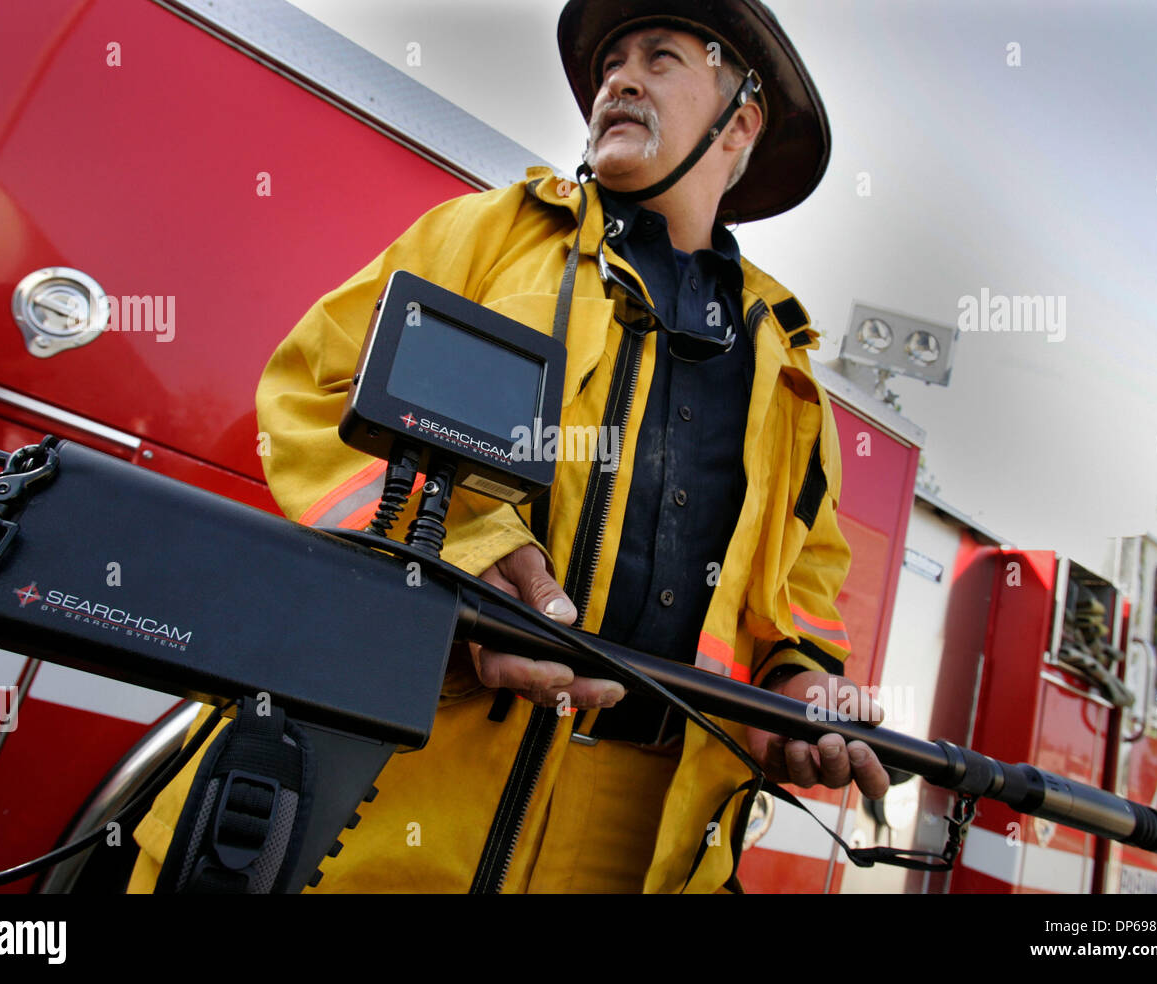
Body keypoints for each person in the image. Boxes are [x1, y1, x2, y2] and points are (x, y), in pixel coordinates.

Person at [127, 0, 889, 895]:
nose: (620, 79)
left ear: (740, 122)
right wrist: (459, 550)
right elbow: (311, 392)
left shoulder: (786, 370)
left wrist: (796, 685)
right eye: (611, 63)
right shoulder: (486, 237)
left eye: (663, 56)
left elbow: (805, 589)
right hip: (400, 770)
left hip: (644, 837)